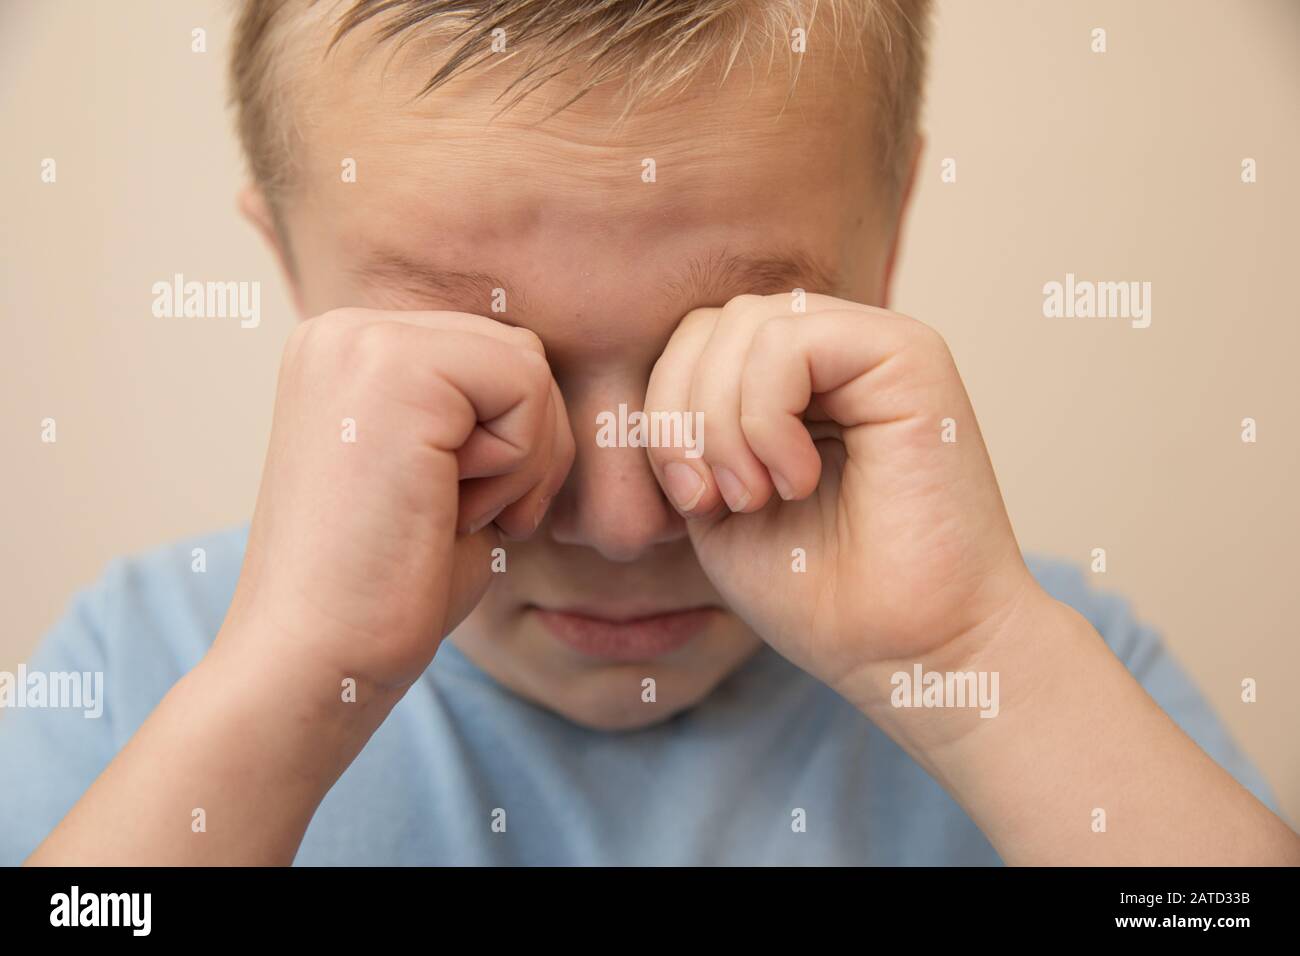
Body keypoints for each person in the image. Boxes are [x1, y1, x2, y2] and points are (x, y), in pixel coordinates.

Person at [4, 0, 1296, 865]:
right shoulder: (150, 662)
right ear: (292, 274)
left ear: (888, 237)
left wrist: (972, 665)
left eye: (721, 342)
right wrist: (289, 692)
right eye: (488, 373)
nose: (621, 525)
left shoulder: (1041, 669)